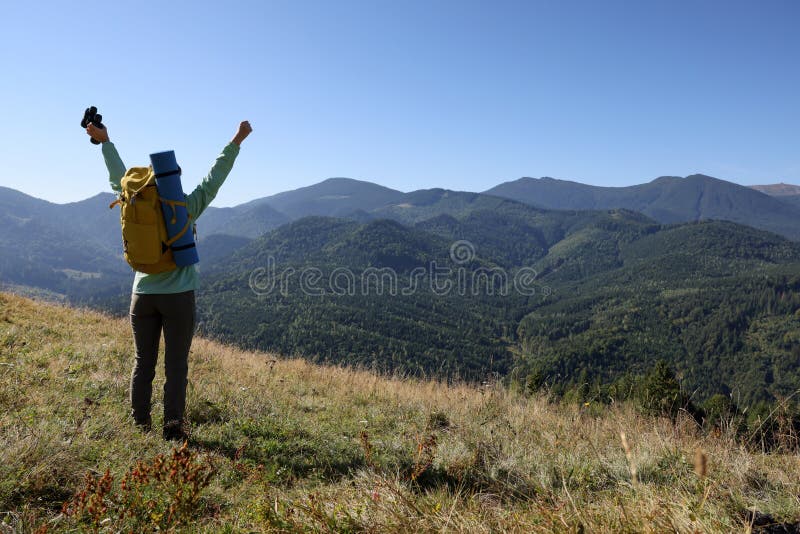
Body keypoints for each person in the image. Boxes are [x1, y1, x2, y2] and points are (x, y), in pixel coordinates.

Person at [86, 119, 253, 440]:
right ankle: (173, 430)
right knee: (176, 365)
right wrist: (237, 140)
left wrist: (105, 141)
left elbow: (117, 175)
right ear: (172, 178)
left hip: (142, 295)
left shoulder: (132, 199)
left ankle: (139, 426)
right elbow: (214, 179)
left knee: (142, 363)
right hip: (178, 296)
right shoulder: (185, 207)